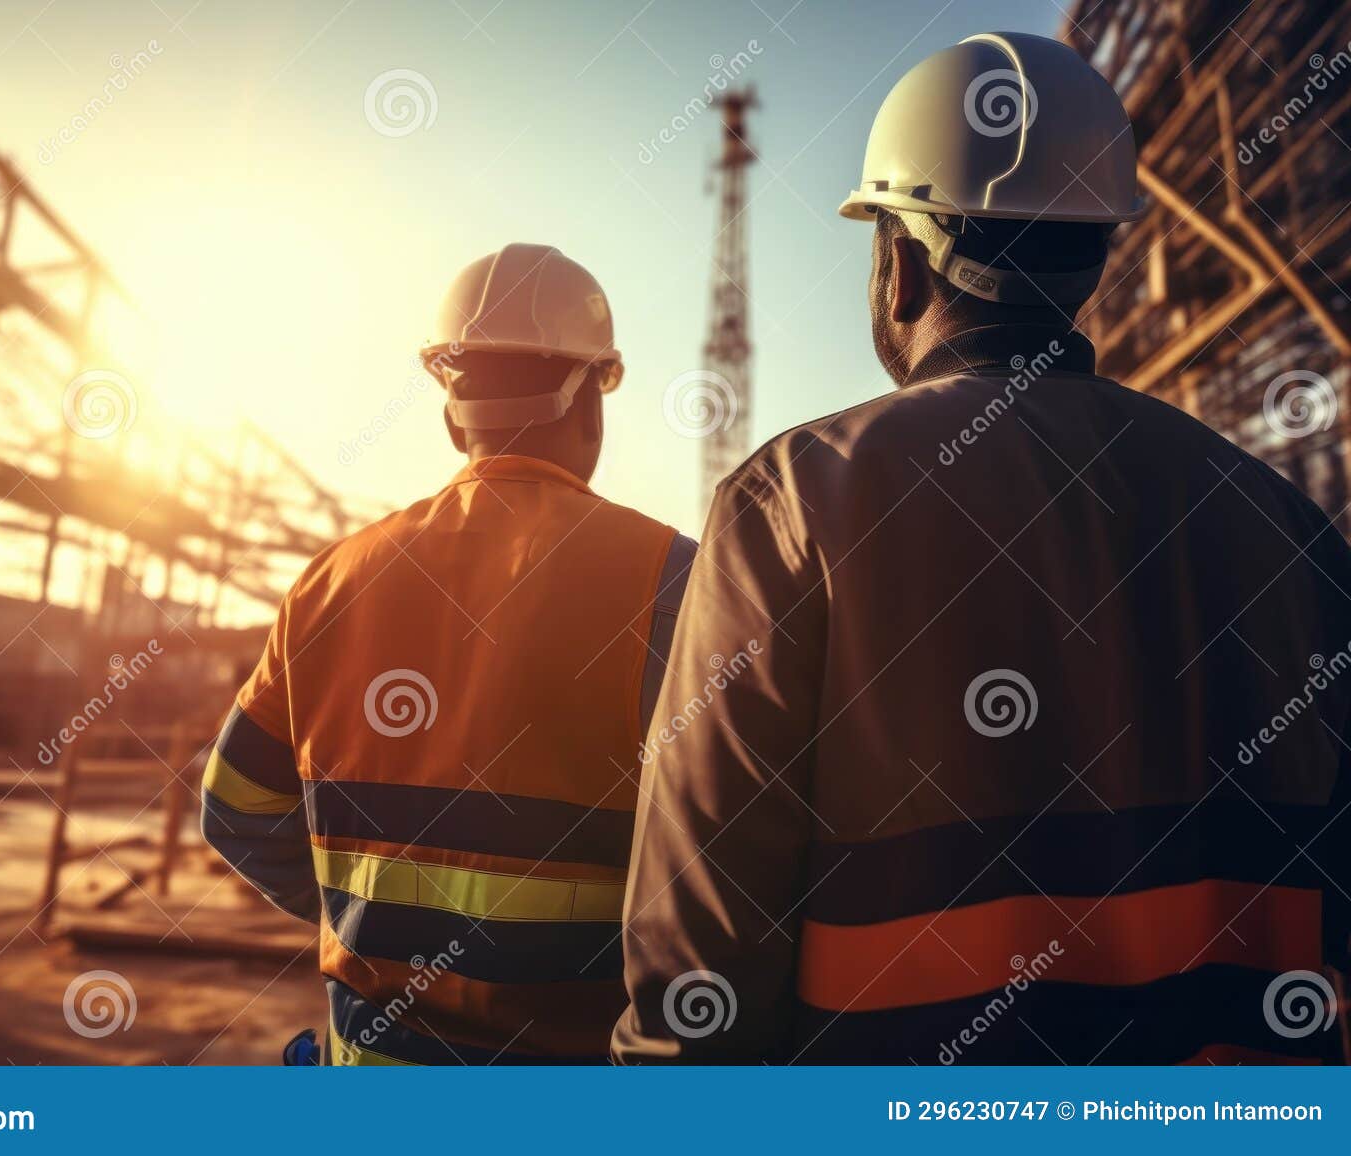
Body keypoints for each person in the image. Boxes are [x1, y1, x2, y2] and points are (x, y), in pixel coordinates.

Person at [614, 32, 1351, 1064]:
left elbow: (701, 968)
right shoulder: (1282, 522)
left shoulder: (794, 503)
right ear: (1095, 262)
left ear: (901, 267)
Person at [202, 242, 695, 1064]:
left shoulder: (332, 580)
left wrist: (360, 918)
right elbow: (739, 863)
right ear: (591, 404)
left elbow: (237, 809)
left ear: (450, 414)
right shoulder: (675, 579)